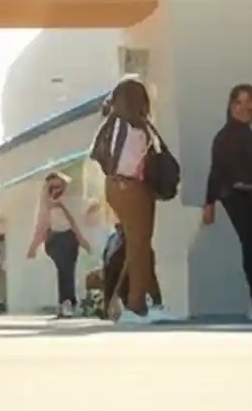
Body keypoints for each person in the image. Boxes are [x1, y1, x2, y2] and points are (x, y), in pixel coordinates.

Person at [89, 76, 173, 325]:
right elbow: (113, 160)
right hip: (129, 187)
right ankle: (136, 305)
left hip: (130, 187)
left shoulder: (131, 125)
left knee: (140, 246)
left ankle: (152, 301)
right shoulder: (123, 125)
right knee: (138, 247)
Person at [203, 84, 252, 322]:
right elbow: (216, 172)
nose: (244, 107)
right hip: (236, 195)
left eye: (250, 102)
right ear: (230, 106)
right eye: (238, 102)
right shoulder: (225, 136)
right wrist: (210, 203)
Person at [26, 172, 91, 319]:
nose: (55, 190)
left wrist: (82, 241)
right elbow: (41, 225)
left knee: (67, 270)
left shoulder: (67, 201)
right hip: (54, 239)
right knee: (63, 269)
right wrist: (34, 246)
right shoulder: (45, 203)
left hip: (68, 238)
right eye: (52, 187)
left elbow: (75, 222)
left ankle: (68, 302)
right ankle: (67, 302)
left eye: (59, 186)